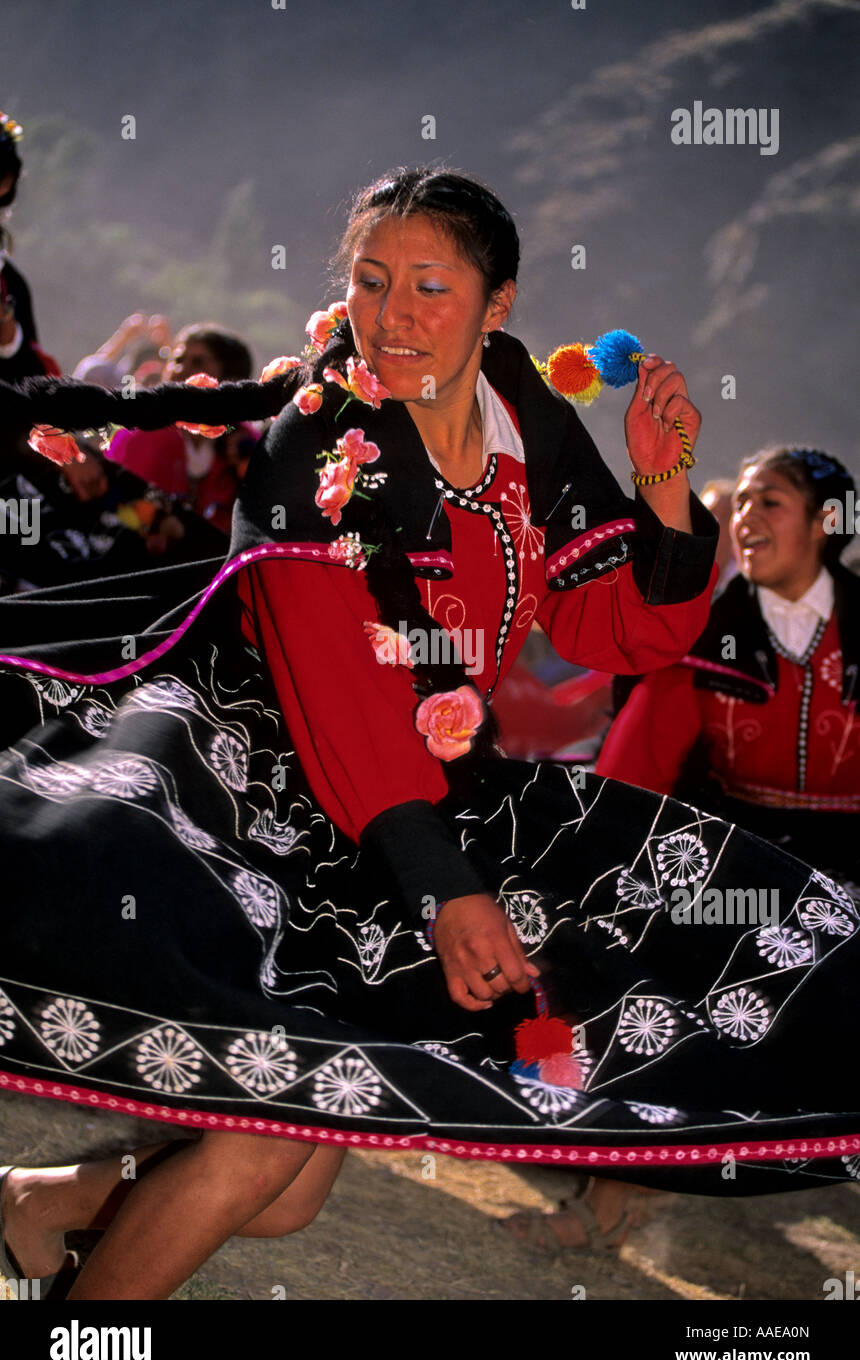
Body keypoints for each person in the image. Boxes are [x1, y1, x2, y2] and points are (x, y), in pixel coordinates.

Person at [0, 167, 858, 1299]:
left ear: (495, 305)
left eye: (429, 287)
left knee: (289, 1189)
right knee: (261, 1145)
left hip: (412, 795)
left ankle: (30, 1205)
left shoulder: (527, 421)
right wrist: (441, 884)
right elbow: (336, 688)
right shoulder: (319, 441)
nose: (391, 315)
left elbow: (615, 631)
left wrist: (659, 486)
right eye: (367, 281)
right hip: (263, 785)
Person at [597, 445, 860, 887]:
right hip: (735, 868)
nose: (745, 519)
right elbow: (633, 779)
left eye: (770, 502)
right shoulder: (700, 647)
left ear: (825, 522)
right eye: (741, 504)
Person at [105, 322, 256, 533]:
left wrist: (243, 467)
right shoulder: (142, 435)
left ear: (230, 378)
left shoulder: (242, 442)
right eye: (177, 360)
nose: (179, 370)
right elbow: (121, 512)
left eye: (197, 362)